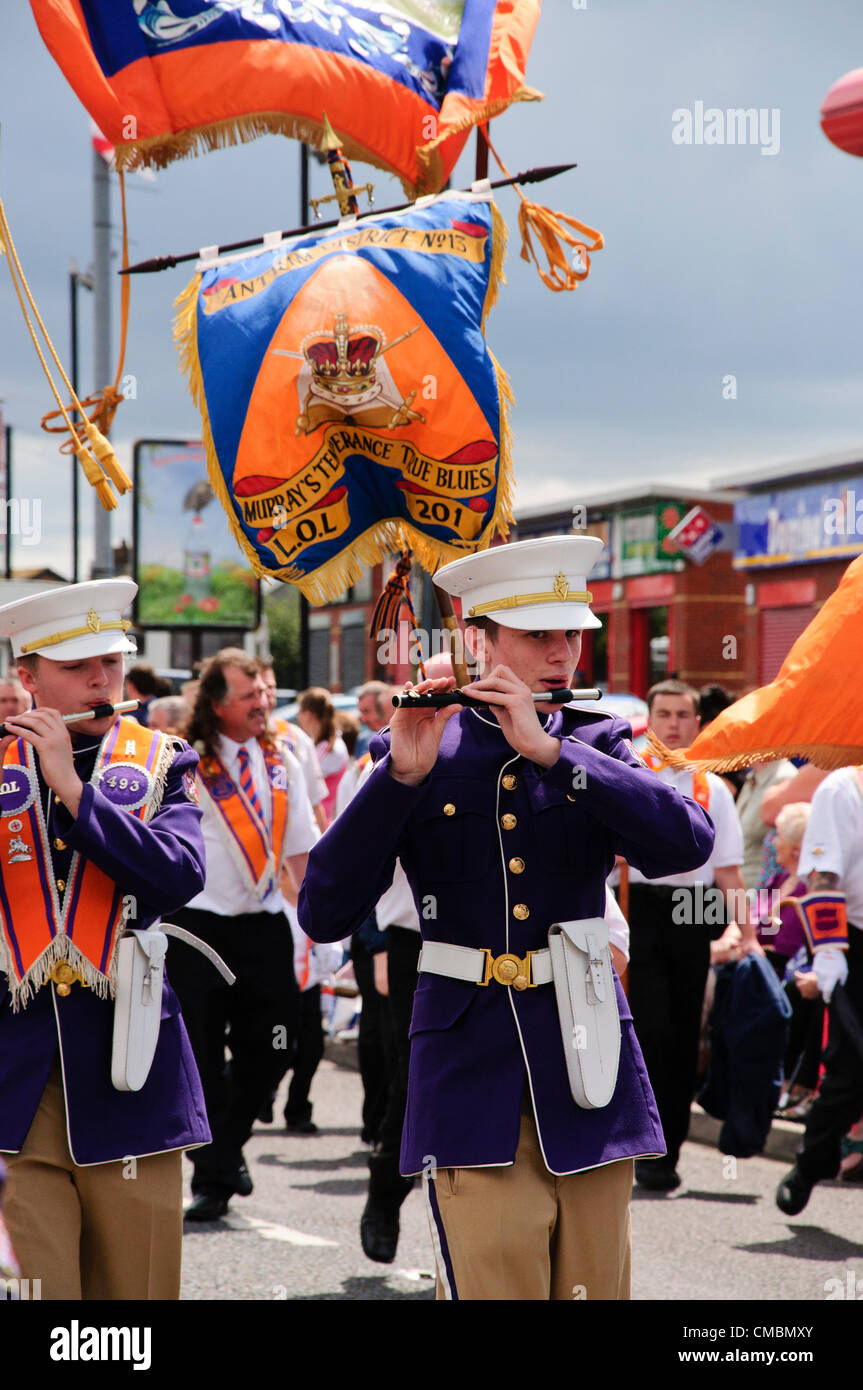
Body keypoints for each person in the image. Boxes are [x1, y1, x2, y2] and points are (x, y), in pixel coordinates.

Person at [299, 535, 715, 1301]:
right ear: (473, 641)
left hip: (586, 1057)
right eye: (537, 636)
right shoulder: (420, 743)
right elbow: (323, 909)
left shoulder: (598, 740)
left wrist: (557, 758)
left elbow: (685, 844)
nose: (562, 654)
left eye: (571, 635)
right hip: (469, 1069)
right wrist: (398, 780)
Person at [0, 579, 209, 1300]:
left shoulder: (163, 760)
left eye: (112, 663)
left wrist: (73, 790)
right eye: (77, 666)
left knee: (135, 1306)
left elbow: (177, 877)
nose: (101, 680)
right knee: (35, 1298)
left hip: (131, 1072)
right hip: (14, 1085)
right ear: (26, 677)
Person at [166, 650, 318, 1221]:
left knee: (278, 1046)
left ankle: (224, 1149)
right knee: (200, 1058)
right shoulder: (182, 763)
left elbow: (301, 850)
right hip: (196, 927)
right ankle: (214, 1177)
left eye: (266, 691)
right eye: (250, 694)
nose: (264, 702)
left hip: (263, 924)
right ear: (216, 704)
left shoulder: (285, 761)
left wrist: (323, 924)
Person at [625, 679, 757, 1192]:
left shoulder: (713, 786)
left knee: (682, 1034)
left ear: (698, 723)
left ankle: (666, 1153)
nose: (674, 724)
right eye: (665, 714)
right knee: (649, 1028)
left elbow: (729, 872)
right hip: (637, 900)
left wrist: (751, 934)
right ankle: (636, 1141)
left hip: (692, 904)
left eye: (684, 715)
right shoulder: (627, 772)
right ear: (650, 719)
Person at [775, 764, 863, 1214]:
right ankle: (813, 1161)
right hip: (854, 939)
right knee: (850, 1066)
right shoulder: (842, 787)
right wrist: (828, 950)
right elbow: (823, 875)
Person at [297, 687, 349, 824]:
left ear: (308, 714)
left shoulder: (331, 749)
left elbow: (302, 780)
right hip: (317, 821)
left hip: (320, 823)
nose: (298, 717)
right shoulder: (322, 745)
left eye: (299, 712)